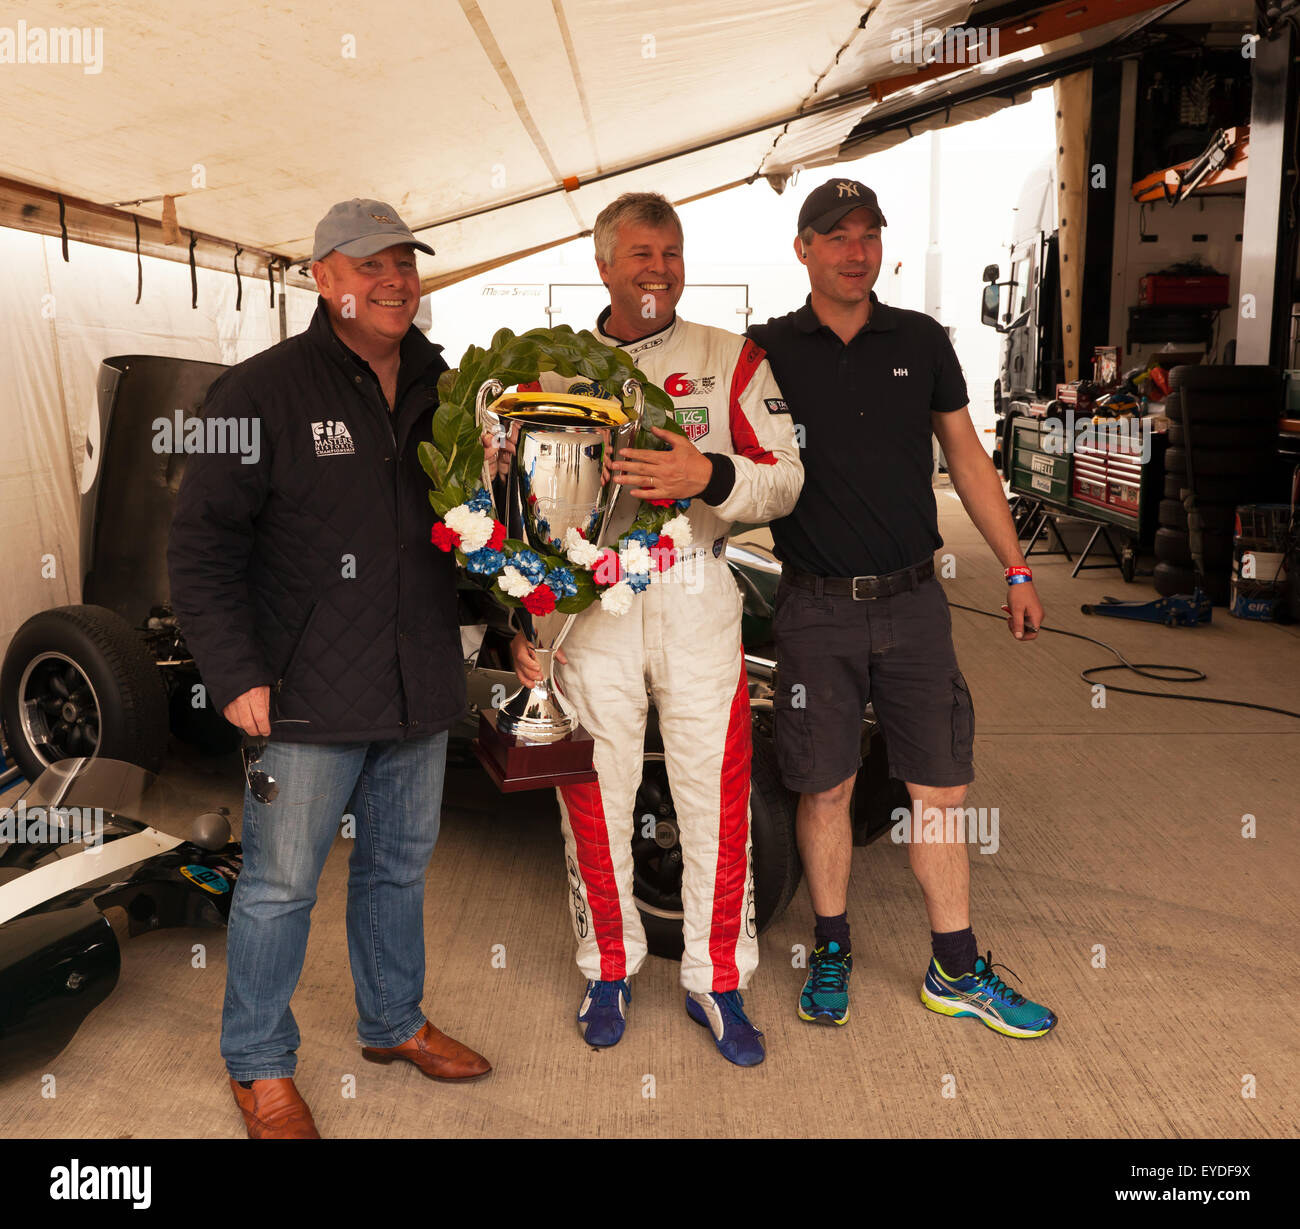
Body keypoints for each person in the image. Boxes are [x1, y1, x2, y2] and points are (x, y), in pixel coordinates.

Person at [168, 198, 492, 1140]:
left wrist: (507, 613)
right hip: (302, 694)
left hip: (418, 683)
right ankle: (260, 1066)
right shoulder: (257, 391)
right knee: (278, 887)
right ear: (324, 278)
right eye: (369, 264)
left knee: (397, 870)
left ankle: (393, 1023)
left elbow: (468, 531)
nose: (393, 281)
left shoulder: (449, 388)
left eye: (405, 263)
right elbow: (199, 547)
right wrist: (233, 672)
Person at [746, 179, 1057, 1038]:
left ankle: (956, 967)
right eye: (835, 235)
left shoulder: (921, 340)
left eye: (869, 233)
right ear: (804, 248)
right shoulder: (764, 348)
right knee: (825, 785)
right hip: (813, 607)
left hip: (916, 602)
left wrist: (1017, 567)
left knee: (939, 788)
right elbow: (724, 460)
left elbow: (965, 455)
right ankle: (832, 947)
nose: (856, 250)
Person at [510, 192, 803, 1066]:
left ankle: (717, 981)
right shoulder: (549, 369)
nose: (659, 269)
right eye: (640, 254)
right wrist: (527, 615)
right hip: (592, 609)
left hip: (696, 592)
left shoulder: (731, 357)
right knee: (593, 795)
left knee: (714, 798)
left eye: (670, 253)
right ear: (602, 264)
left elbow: (787, 480)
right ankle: (608, 966)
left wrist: (707, 473)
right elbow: (514, 508)